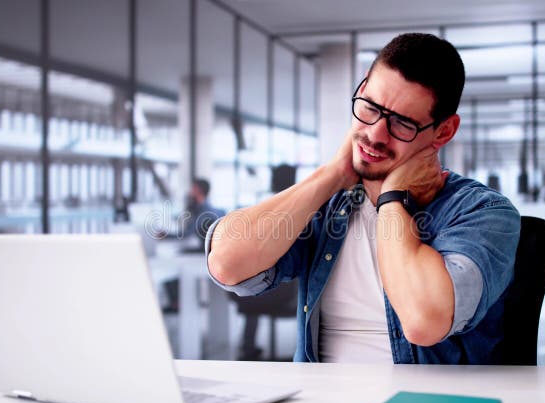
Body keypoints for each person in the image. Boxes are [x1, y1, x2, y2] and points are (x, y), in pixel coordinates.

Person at [205, 33, 520, 364]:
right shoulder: (329, 204)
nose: (375, 133)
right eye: (370, 107)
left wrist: (392, 197)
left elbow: (422, 322)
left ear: (443, 132)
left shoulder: (483, 212)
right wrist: (332, 175)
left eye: (402, 123)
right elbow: (227, 265)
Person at [162, 178, 225, 313]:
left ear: (197, 191)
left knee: (173, 261)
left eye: (192, 189)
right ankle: (177, 301)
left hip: (207, 253)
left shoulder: (204, 210)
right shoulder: (212, 209)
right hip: (215, 251)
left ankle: (177, 302)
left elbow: (187, 233)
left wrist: (166, 235)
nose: (189, 192)